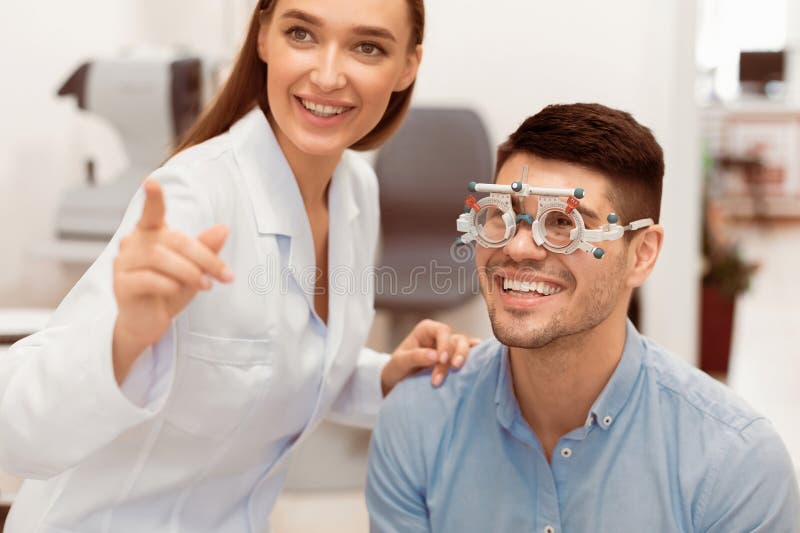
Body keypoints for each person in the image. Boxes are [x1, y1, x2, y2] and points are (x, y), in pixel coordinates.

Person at [0, 1, 475, 531]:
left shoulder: (355, 189)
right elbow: (15, 431)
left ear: (407, 66)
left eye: (368, 47)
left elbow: (284, 361)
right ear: (263, 39)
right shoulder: (194, 196)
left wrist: (382, 377)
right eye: (302, 34)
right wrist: (124, 339)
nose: (327, 74)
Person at [366, 103, 800, 532]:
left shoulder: (735, 465)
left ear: (642, 254)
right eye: (501, 215)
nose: (518, 248)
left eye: (562, 223)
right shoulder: (417, 420)